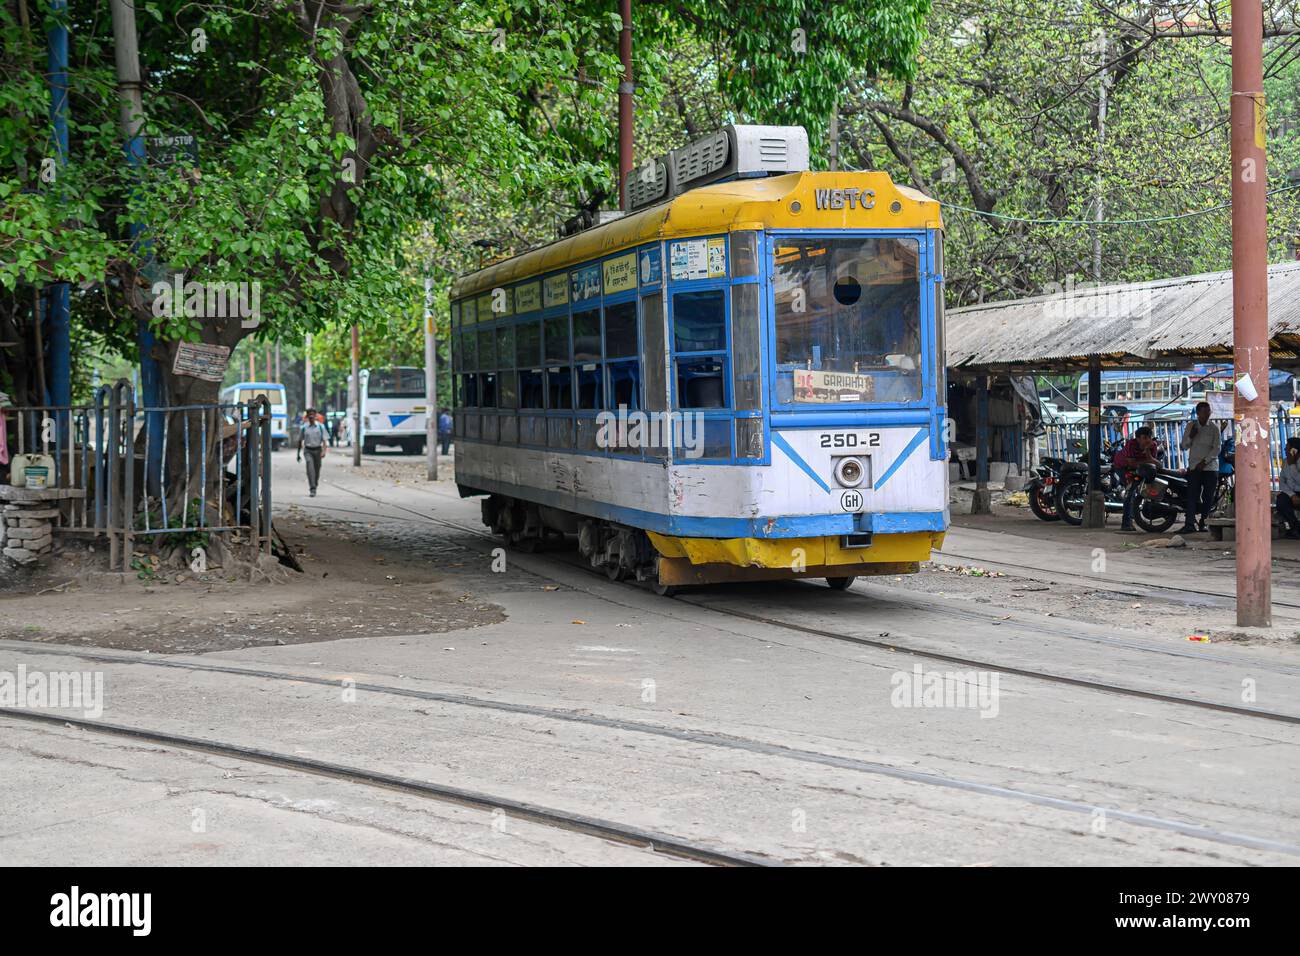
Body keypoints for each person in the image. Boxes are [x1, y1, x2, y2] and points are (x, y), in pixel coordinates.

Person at [1178, 401, 1221, 534]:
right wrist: (1191, 436)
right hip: (1194, 467)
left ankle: (1203, 522)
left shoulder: (1214, 428)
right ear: (1198, 413)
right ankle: (1189, 523)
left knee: (1208, 497)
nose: (1207, 414)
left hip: (1210, 467)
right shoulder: (1191, 426)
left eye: (1208, 412)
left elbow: (1217, 448)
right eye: (1204, 412)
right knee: (1192, 496)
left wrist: (1205, 461)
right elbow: (1184, 446)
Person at [1113, 425, 1161, 532]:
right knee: (1130, 492)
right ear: (1138, 438)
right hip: (1123, 467)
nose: (1147, 440)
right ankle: (1126, 523)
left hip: (1139, 468)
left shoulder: (1153, 446)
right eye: (1144, 438)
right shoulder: (1131, 444)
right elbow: (1132, 463)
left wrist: (1148, 453)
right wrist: (1149, 461)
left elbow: (1155, 463)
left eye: (1148, 437)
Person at [297, 407, 329, 497]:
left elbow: (325, 440)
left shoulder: (320, 427)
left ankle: (315, 483)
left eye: (313, 414)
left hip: (317, 450)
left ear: (315, 416)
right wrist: (298, 454)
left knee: (317, 470)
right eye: (309, 415)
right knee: (310, 468)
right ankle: (312, 488)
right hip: (308, 451)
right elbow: (300, 441)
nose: (311, 416)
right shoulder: (304, 427)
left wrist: (324, 451)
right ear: (307, 416)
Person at [1277, 438, 1300, 539]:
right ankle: (1295, 527)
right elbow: (1282, 482)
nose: (1285, 451)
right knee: (1281, 501)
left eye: (1287, 449)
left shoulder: (1292, 463)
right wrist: (1292, 495)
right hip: (1292, 494)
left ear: (1294, 450)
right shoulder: (1285, 462)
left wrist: (1292, 465)